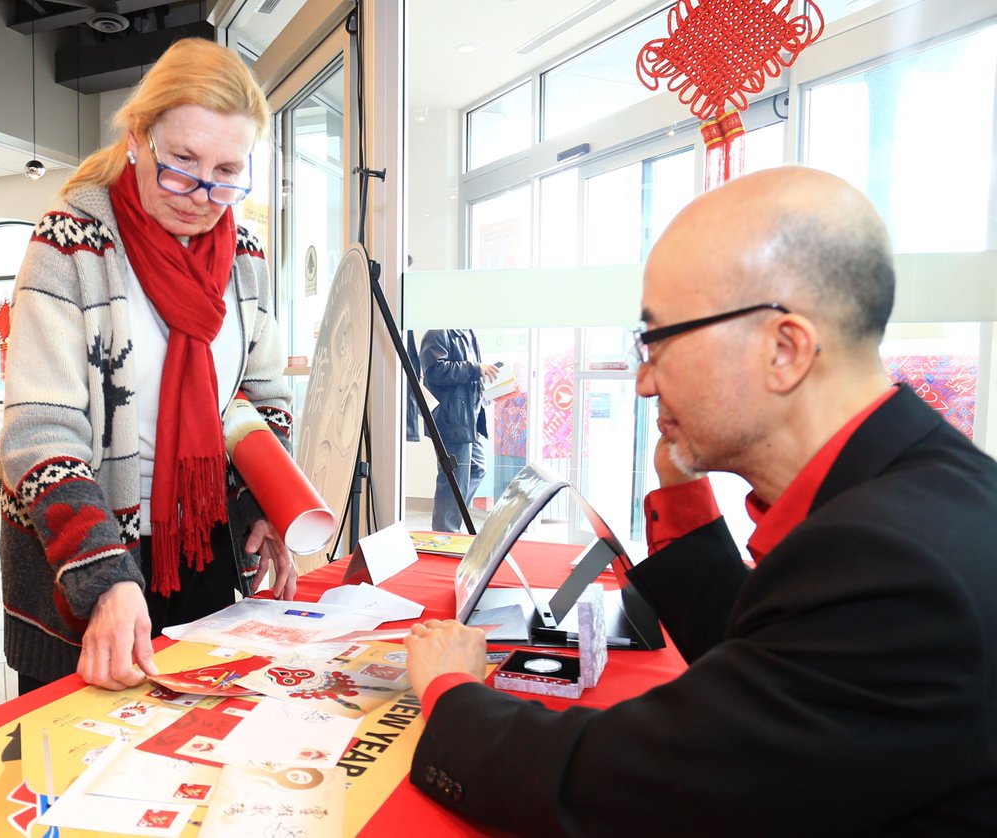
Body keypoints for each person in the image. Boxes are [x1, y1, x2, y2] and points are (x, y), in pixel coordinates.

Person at [403, 167, 997, 835]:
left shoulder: (893, 570)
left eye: (659, 341)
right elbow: (765, 663)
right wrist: (681, 494)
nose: (645, 383)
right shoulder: (904, 493)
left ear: (785, 349)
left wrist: (451, 693)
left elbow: (647, 790)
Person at [0, 38, 296, 695]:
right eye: (182, 163)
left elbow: (260, 395)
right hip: (87, 551)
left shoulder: (243, 253)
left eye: (228, 172)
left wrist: (264, 501)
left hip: (203, 545)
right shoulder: (70, 244)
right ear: (137, 138)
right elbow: (40, 434)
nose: (202, 194)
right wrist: (104, 577)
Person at [419, 329, 499, 532]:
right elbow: (435, 370)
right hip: (452, 420)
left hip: (469, 418)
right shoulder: (438, 333)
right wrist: (475, 369)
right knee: (453, 479)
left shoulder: (470, 333)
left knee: (477, 468)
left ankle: (451, 520)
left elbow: (472, 375)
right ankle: (445, 532)